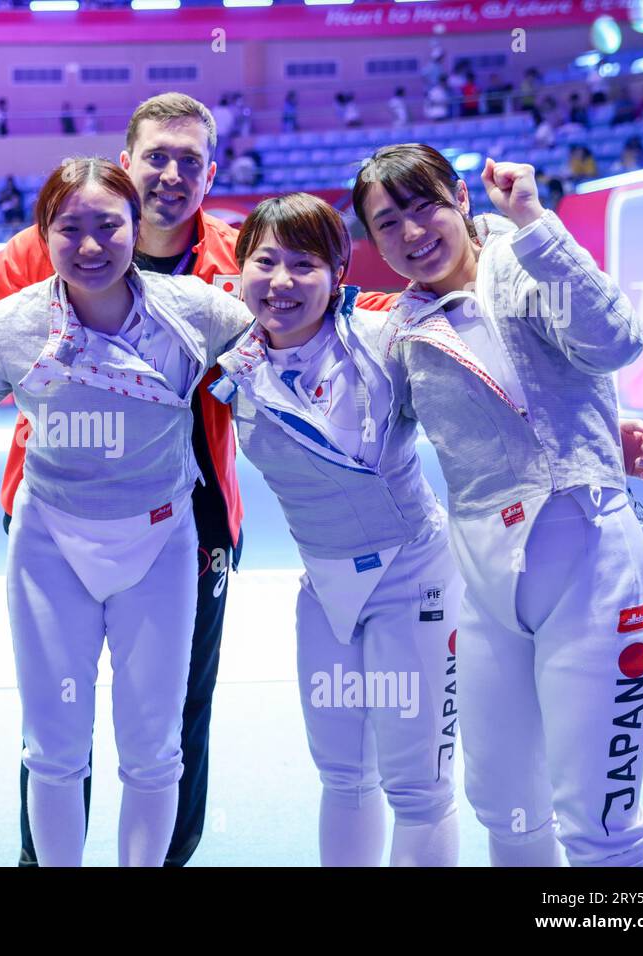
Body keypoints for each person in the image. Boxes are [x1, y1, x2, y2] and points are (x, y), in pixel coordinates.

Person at [0, 92, 398, 867]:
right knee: (55, 723)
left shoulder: (236, 265)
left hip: (187, 513)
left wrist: (442, 316)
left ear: (210, 174)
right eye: (157, 157)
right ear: (127, 165)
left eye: (190, 161)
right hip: (50, 507)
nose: (172, 173)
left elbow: (328, 314)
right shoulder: (49, 243)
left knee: (172, 719)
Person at [0, 157, 252, 866]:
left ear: (138, 228)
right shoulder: (17, 323)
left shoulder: (194, 310)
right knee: (52, 750)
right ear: (42, 236)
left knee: (154, 750)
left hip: (162, 547)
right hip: (50, 549)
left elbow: (293, 334)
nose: (90, 244)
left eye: (108, 225)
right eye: (69, 227)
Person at [354, 144, 643, 866]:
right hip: (485, 583)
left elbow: (615, 341)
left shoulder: (528, 258)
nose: (412, 232)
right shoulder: (401, 329)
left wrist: (533, 219)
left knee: (598, 824)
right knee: (507, 806)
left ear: (462, 197)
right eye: (388, 222)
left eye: (424, 205)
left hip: (593, 565)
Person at [211, 194, 464, 866]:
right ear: (239, 270)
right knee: (345, 776)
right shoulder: (231, 352)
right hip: (325, 592)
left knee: (419, 787)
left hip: (417, 582)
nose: (282, 282)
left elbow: (490, 375)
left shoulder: (386, 337)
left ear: (339, 274)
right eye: (266, 262)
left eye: (304, 265)